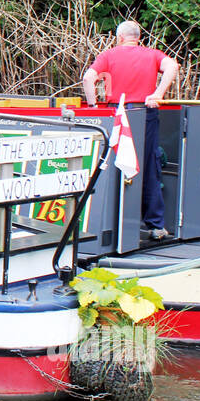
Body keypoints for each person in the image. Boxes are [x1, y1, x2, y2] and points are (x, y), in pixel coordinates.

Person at [82, 21, 178, 240]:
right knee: (148, 164)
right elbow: (172, 66)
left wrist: (92, 106)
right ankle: (155, 225)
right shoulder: (152, 54)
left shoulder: (109, 55)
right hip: (145, 113)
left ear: (119, 37)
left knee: (113, 164)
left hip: (117, 115)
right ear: (138, 37)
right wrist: (158, 94)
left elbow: (88, 78)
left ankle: (113, 222)